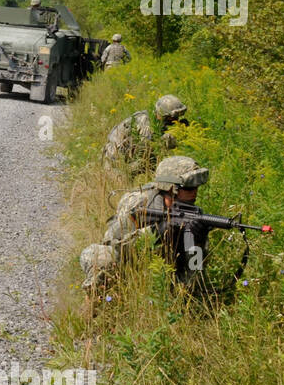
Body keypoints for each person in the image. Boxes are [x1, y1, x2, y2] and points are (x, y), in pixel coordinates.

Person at [80, 155, 212, 290]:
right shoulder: (140, 203)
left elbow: (195, 271)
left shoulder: (193, 214)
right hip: (131, 264)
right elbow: (113, 246)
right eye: (189, 187)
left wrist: (197, 241)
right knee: (102, 258)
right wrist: (157, 231)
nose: (195, 191)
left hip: (162, 270)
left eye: (197, 186)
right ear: (172, 188)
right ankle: (95, 305)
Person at [102, 93, 189, 173]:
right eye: (171, 118)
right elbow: (147, 151)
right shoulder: (145, 124)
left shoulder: (157, 121)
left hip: (128, 157)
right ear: (161, 115)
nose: (175, 121)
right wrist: (171, 139)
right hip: (115, 162)